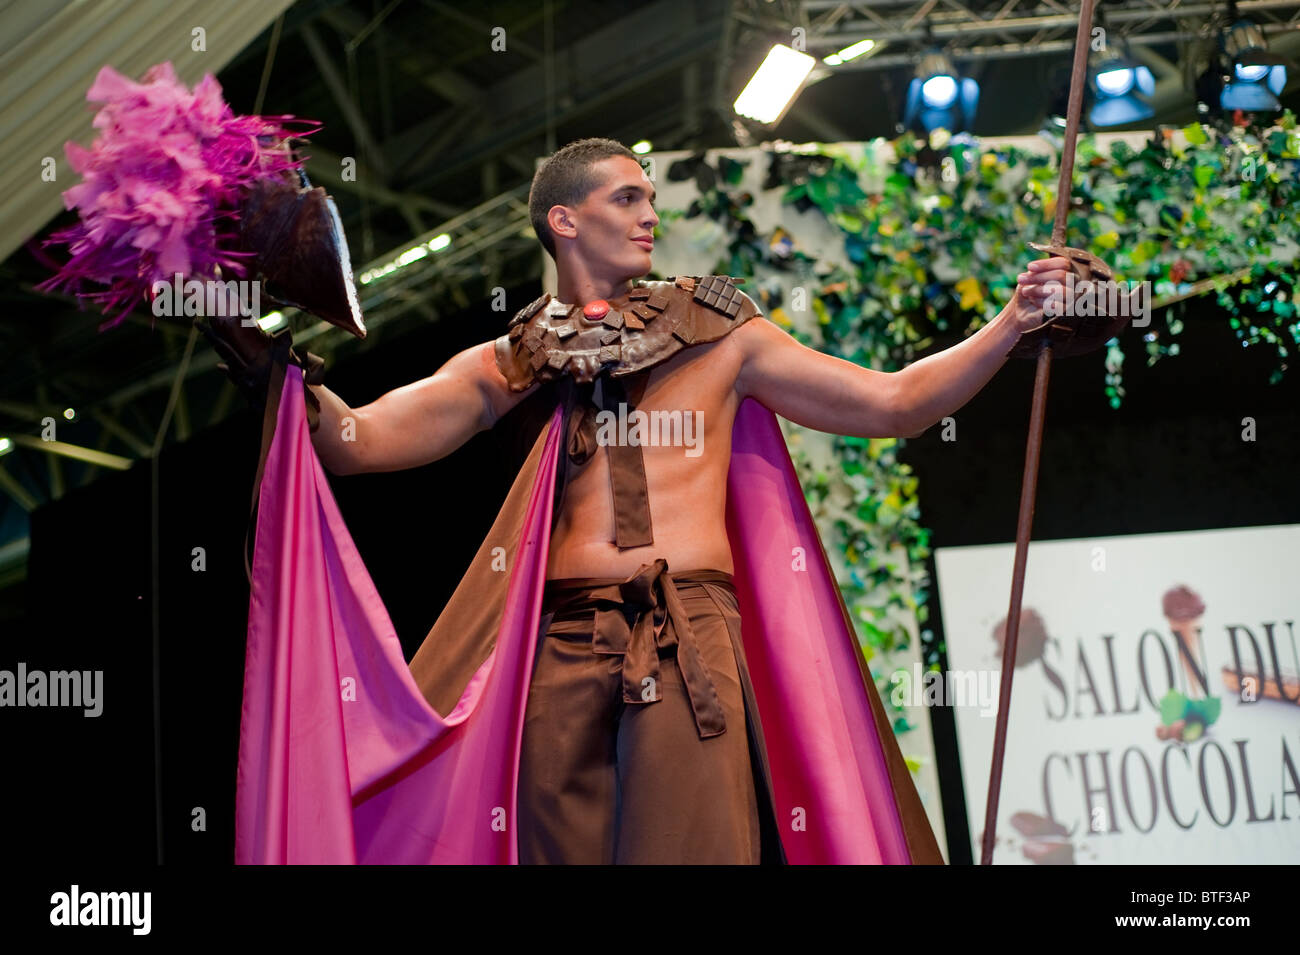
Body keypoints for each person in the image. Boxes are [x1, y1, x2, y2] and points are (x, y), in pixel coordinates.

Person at [287, 138, 1084, 864]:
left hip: (686, 628)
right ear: (564, 219)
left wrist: (1013, 320)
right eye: (627, 198)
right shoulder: (512, 357)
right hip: (560, 641)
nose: (650, 215)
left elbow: (894, 402)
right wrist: (275, 376)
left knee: (693, 851)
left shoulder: (723, 330)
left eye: (652, 199)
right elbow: (360, 440)